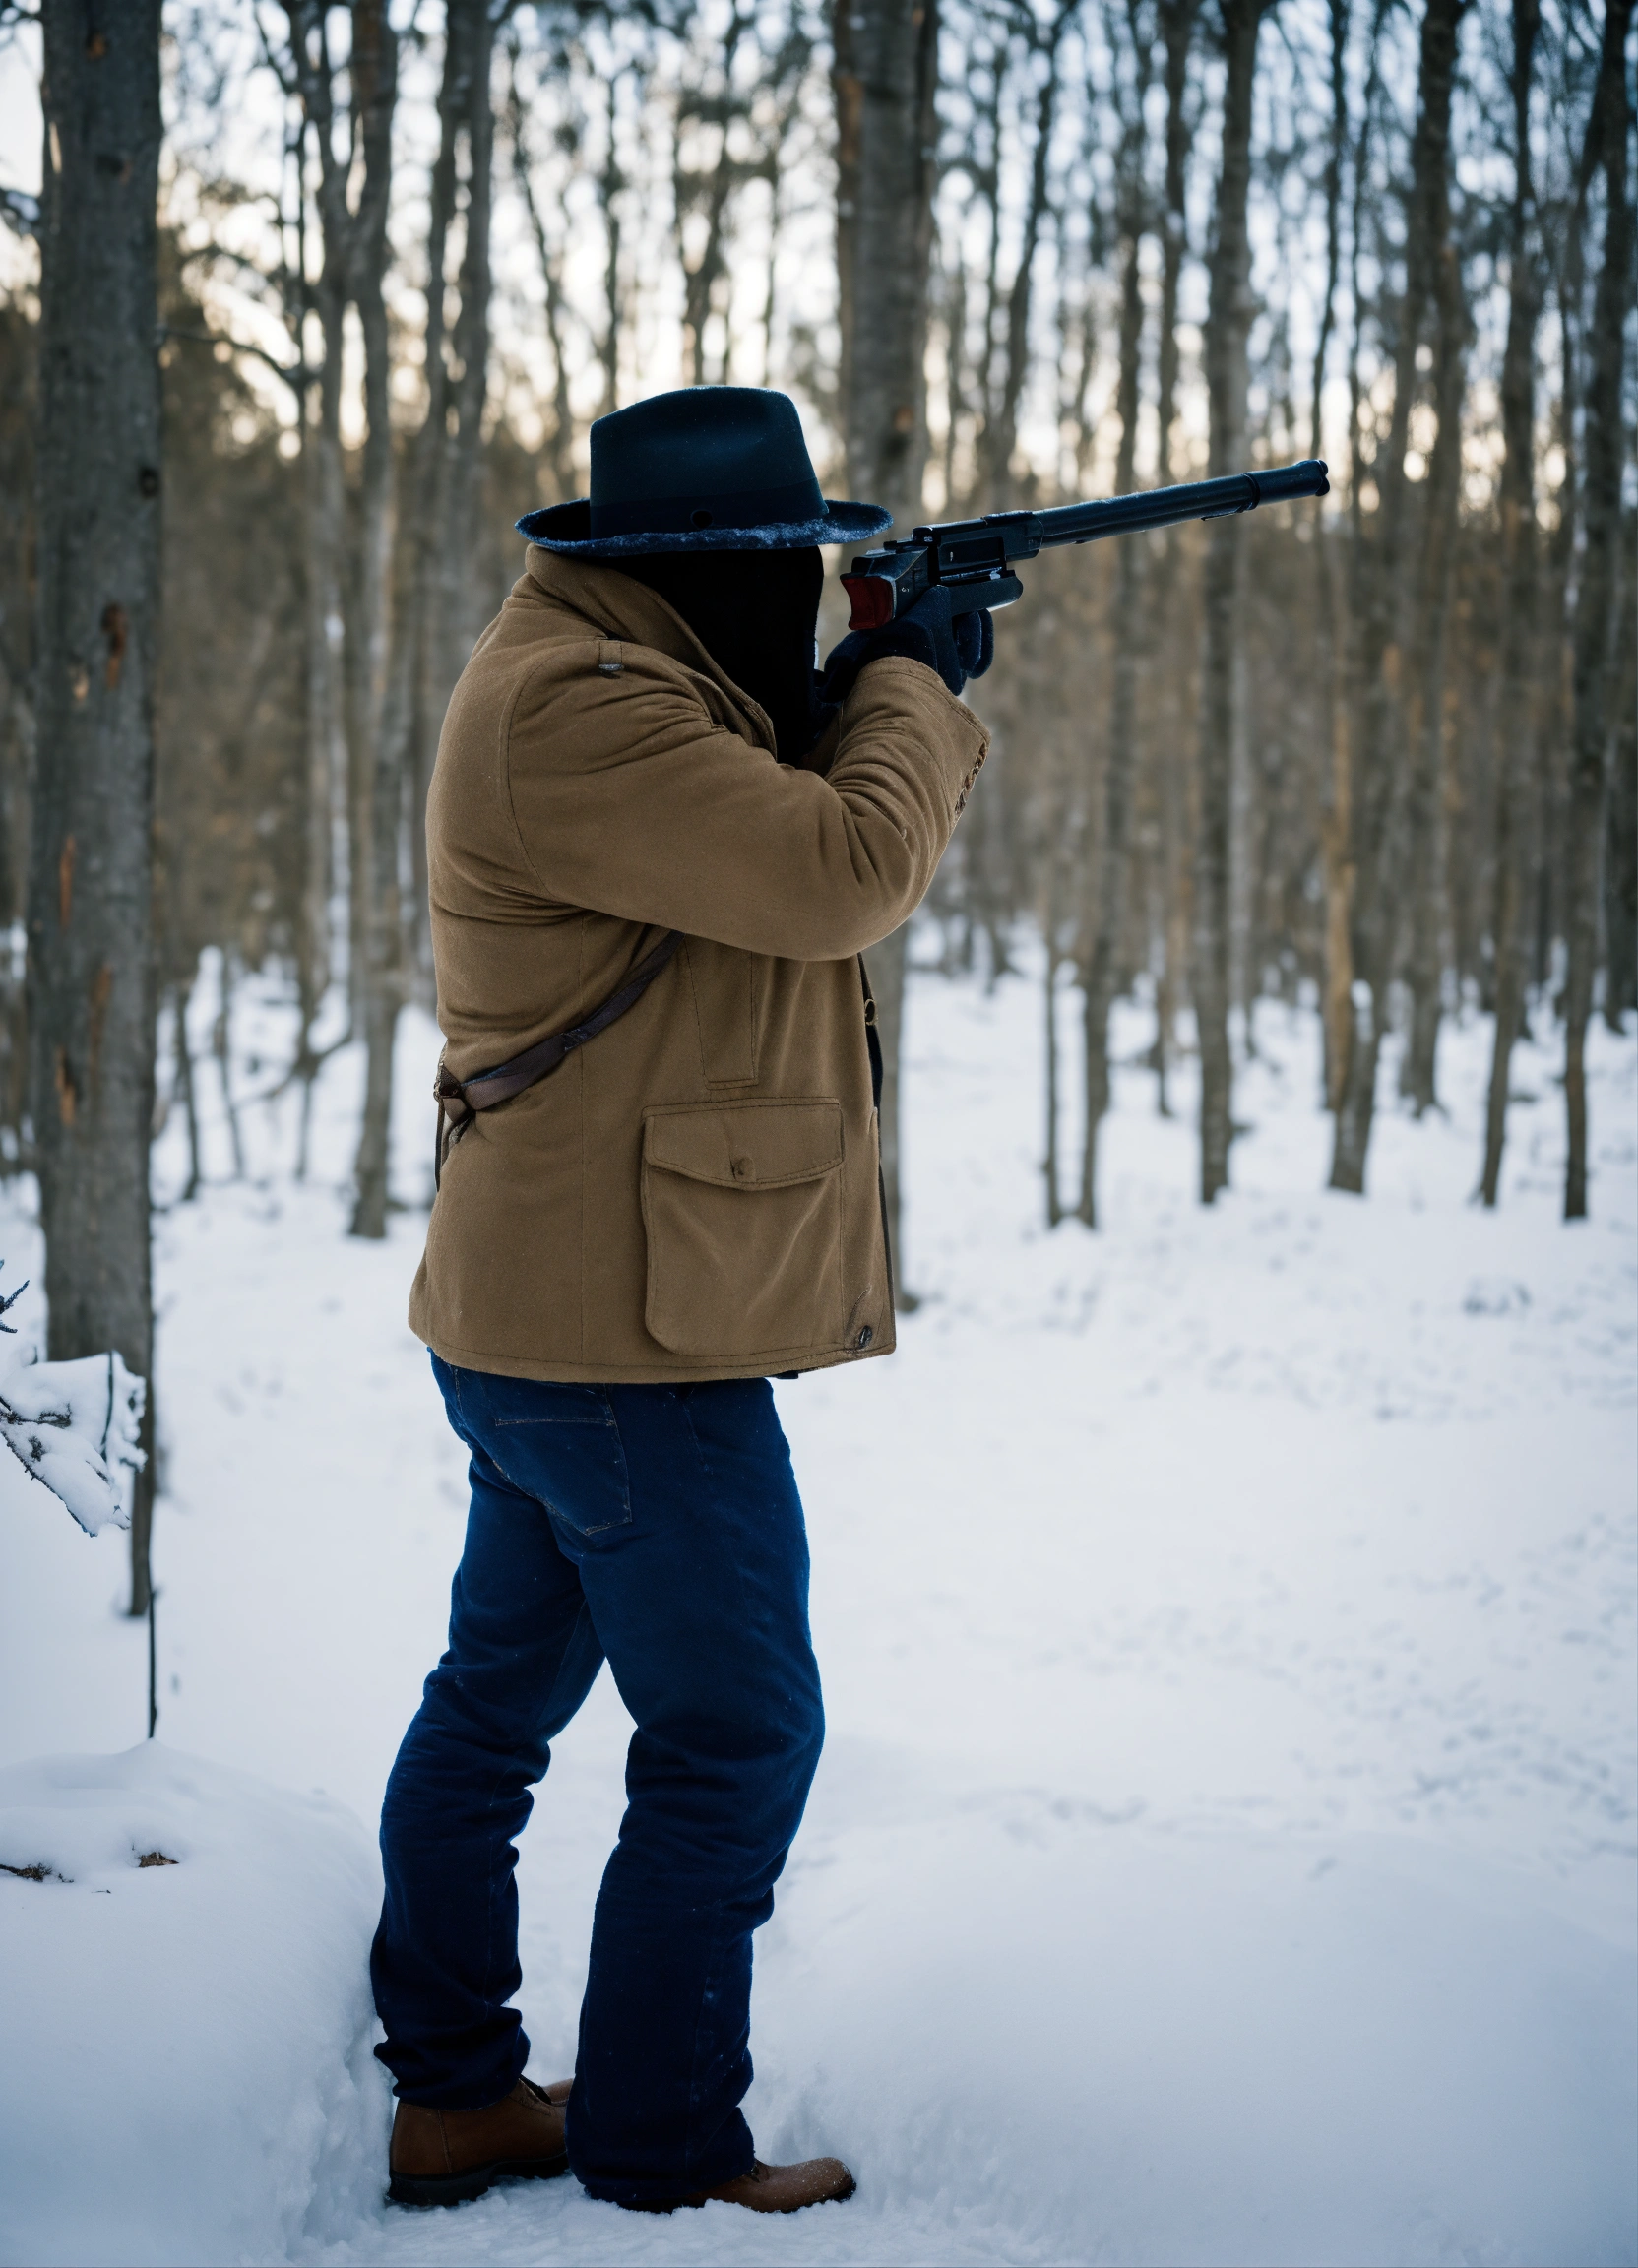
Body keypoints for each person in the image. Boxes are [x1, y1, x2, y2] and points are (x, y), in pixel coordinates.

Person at [371, 386, 992, 2216]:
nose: (799, 593)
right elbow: (837, 866)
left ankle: (457, 2100)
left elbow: (770, 787)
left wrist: (874, 669)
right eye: (785, 567)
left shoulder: (620, 671)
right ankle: (655, 2137)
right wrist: (908, 680)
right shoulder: (577, 710)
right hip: (620, 1349)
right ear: (699, 570)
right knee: (739, 1738)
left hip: (563, 1322)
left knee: (492, 1716)